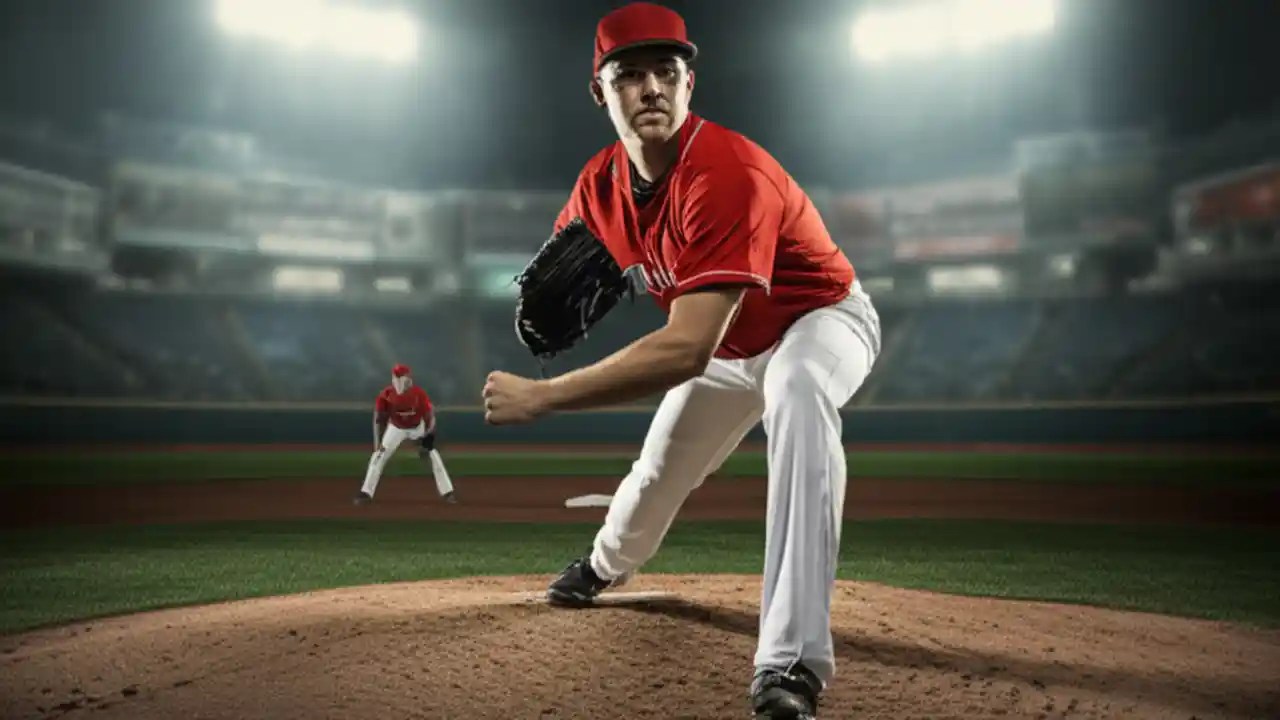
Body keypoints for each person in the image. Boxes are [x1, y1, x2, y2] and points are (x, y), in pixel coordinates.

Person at [481, 3, 881, 718]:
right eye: (628, 75)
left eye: (667, 72)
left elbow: (685, 346)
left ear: (690, 83)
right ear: (599, 92)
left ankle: (791, 661)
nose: (651, 89)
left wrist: (543, 397)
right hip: (731, 346)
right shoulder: (596, 188)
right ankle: (604, 564)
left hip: (820, 319)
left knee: (796, 386)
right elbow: (559, 283)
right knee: (660, 465)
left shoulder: (728, 172)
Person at [354, 363, 457, 506]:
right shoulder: (386, 395)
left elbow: (431, 418)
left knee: (433, 456)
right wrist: (377, 442)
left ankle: (448, 492)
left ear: (407, 378)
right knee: (378, 456)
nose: (397, 380)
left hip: (417, 428)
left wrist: (427, 439)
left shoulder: (418, 394)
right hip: (396, 428)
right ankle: (366, 492)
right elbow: (377, 418)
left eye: (400, 377)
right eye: (395, 377)